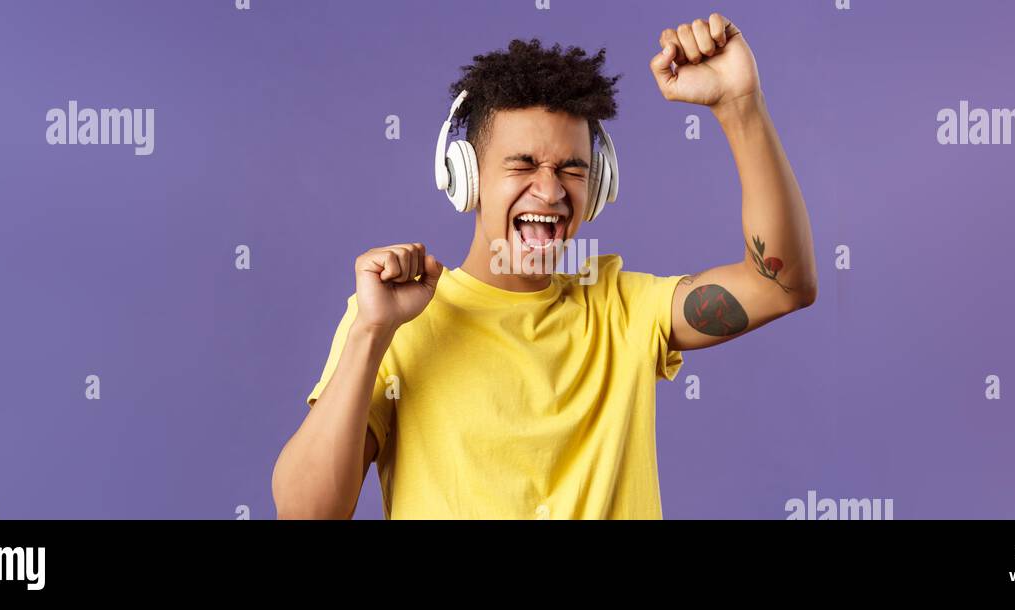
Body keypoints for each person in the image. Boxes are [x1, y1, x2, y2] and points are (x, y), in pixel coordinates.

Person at [273, 13, 817, 519]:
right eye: (523, 164)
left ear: (599, 186)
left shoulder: (623, 308)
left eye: (573, 169)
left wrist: (739, 106)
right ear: (465, 177)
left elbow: (783, 284)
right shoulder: (390, 320)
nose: (552, 189)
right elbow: (305, 513)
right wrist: (371, 332)